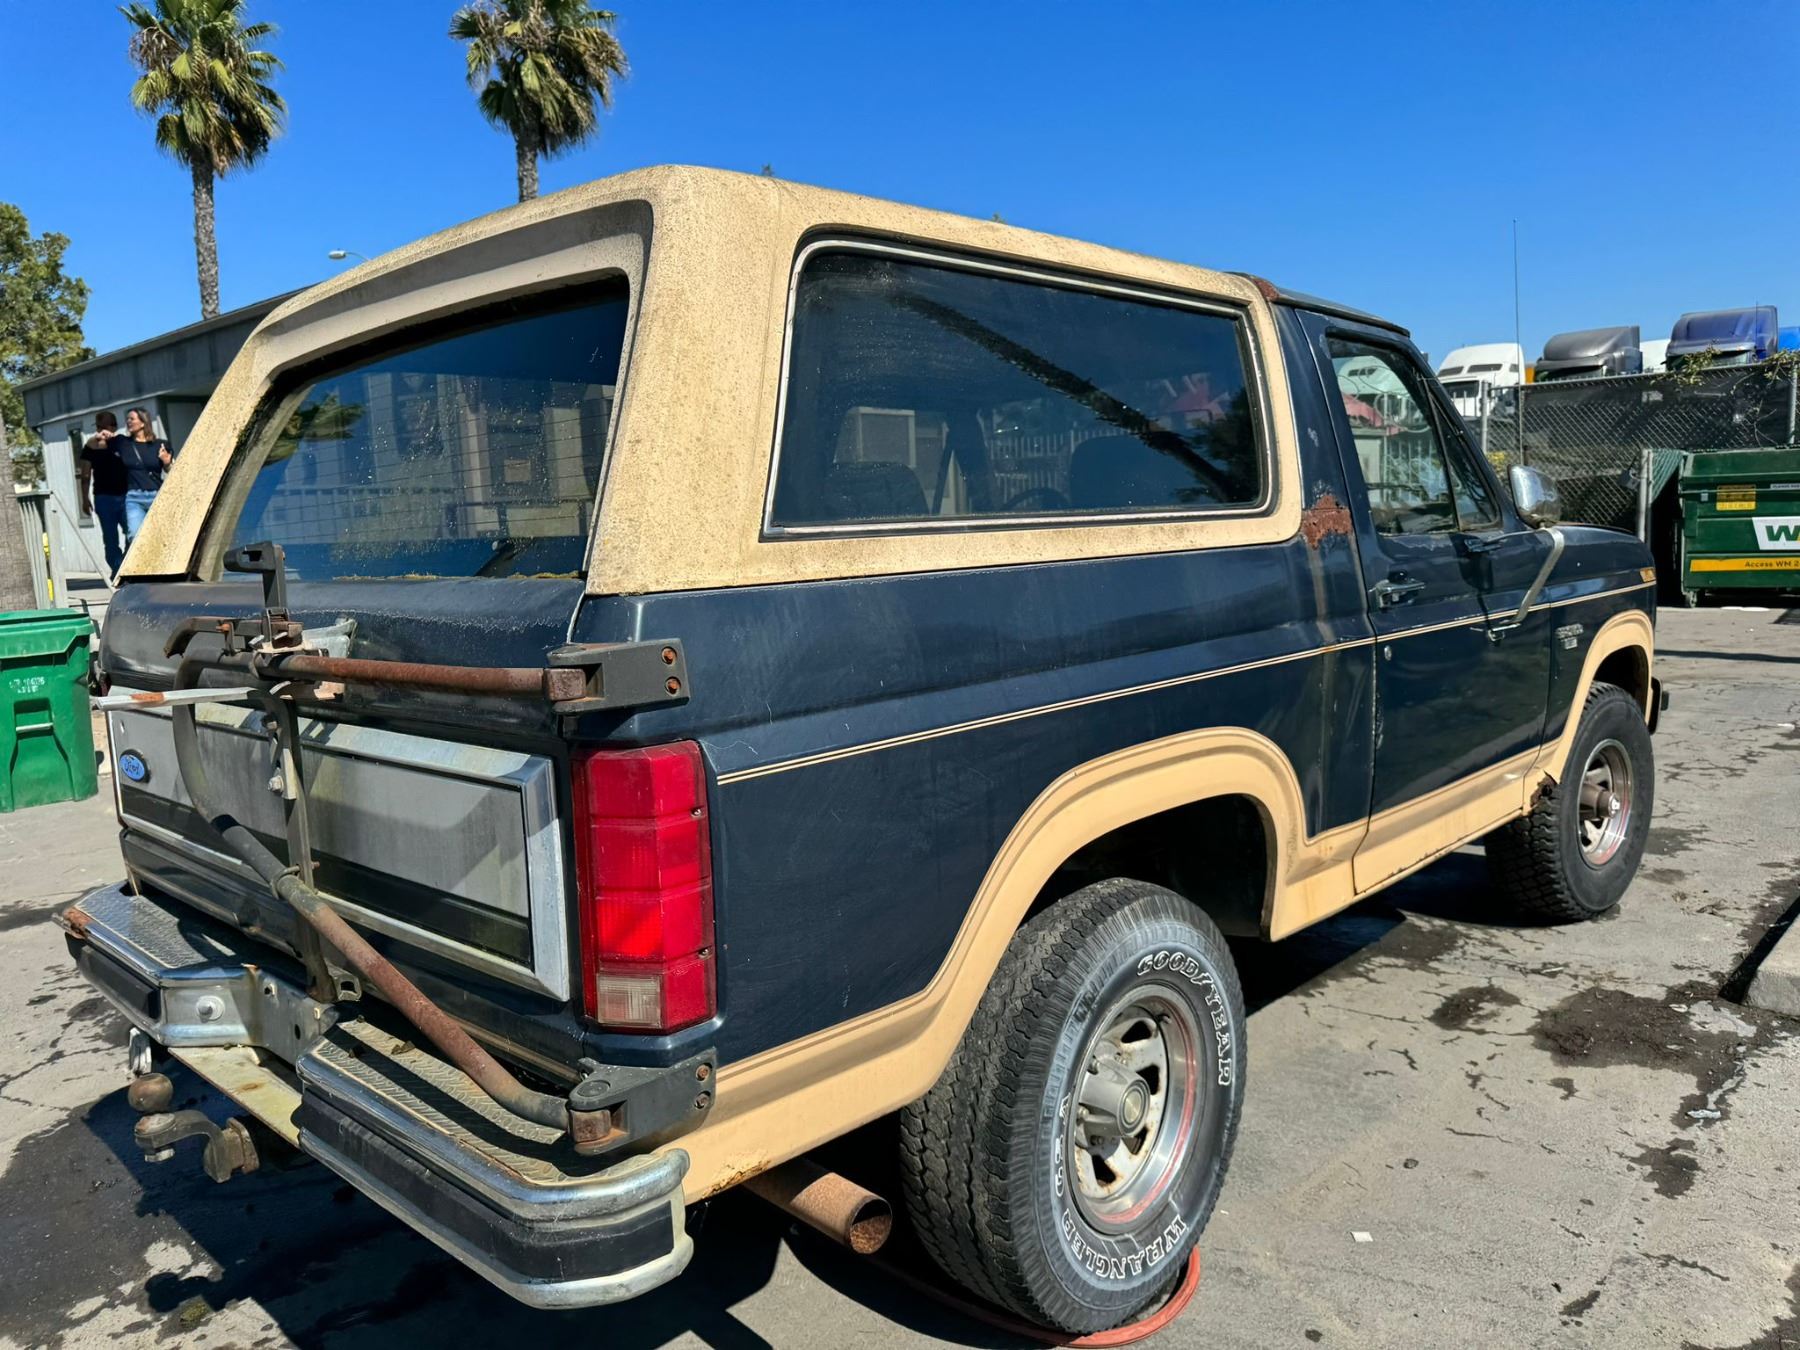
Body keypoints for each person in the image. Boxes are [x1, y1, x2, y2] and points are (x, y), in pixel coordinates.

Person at [78, 411, 131, 574]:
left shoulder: (122, 442)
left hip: (126, 496)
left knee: (133, 532)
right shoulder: (90, 445)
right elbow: (85, 474)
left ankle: (126, 564)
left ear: (113, 426)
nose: (101, 430)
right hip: (103, 497)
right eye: (98, 426)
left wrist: (112, 440)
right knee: (110, 538)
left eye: (105, 426)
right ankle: (117, 568)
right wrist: (85, 499)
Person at [119, 407, 176, 542]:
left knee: (162, 537)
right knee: (134, 536)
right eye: (127, 419)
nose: (128, 422)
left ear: (143, 422)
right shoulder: (123, 444)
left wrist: (167, 462)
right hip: (134, 498)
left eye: (132, 419)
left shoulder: (160, 445)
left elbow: (172, 470)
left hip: (156, 497)